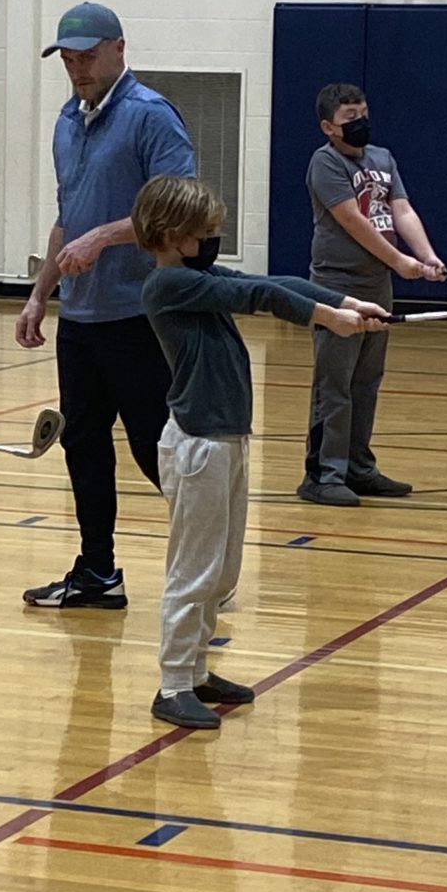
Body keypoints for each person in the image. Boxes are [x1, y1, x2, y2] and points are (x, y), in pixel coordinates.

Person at [135, 173, 386, 731]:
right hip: (199, 445)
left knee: (222, 572)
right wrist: (329, 320)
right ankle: (173, 684)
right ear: (173, 236)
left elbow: (276, 280)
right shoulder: (169, 285)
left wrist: (346, 299)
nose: (212, 242)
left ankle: (197, 671)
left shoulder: (196, 275)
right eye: (204, 234)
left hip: (226, 440)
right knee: (194, 571)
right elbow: (260, 296)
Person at [17, 3, 196, 610]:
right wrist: (40, 295)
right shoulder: (68, 120)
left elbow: (178, 210)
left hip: (140, 313)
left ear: (119, 48)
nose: (76, 68)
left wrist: (104, 237)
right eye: (67, 58)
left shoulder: (151, 117)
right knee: (83, 444)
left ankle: (205, 563)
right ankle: (97, 572)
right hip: (82, 317)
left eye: (87, 56)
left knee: (154, 444)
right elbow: (69, 219)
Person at [299, 83, 446, 506]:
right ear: (329, 127)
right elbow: (353, 220)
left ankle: (358, 468)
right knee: (335, 383)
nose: (360, 122)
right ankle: (323, 475)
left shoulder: (382, 158)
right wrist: (400, 261)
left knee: (366, 381)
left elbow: (401, 210)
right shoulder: (324, 163)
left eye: (363, 112)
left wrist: (426, 256)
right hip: (336, 285)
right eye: (350, 118)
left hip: (376, 285)